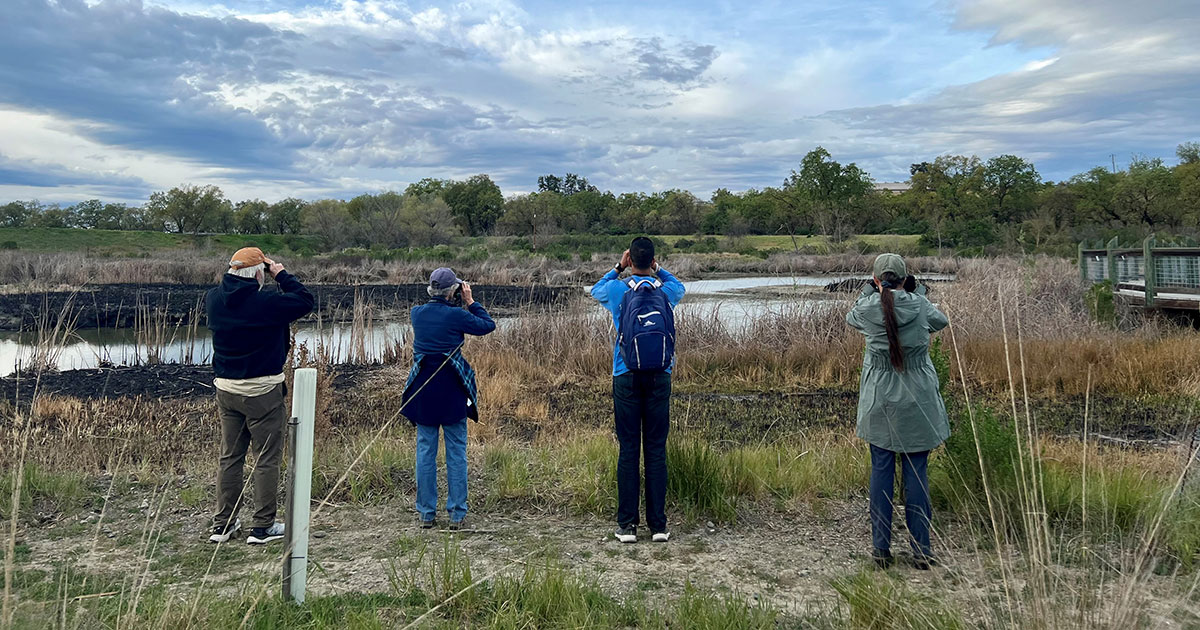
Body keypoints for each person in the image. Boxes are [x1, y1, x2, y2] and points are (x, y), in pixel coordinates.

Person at [846, 253, 949, 570]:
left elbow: (852, 317)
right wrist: (916, 293)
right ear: (905, 279)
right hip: (918, 397)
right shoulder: (919, 305)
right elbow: (940, 322)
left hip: (880, 398)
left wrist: (870, 291)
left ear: (877, 280)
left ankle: (881, 550)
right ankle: (922, 551)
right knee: (917, 472)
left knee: (881, 470)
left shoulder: (866, 308)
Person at [206, 247, 315, 545]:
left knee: (230, 457)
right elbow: (306, 300)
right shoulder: (266, 301)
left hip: (226, 389)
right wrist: (281, 274)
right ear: (258, 273)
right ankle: (262, 527)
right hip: (263, 390)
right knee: (266, 458)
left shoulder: (213, 299)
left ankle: (223, 525)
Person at [590, 237, 685, 543]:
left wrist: (618, 267)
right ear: (653, 259)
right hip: (660, 374)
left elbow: (595, 289)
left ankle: (627, 526)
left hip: (625, 374)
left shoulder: (618, 290)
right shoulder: (666, 290)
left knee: (629, 449)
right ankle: (658, 526)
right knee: (656, 450)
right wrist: (658, 270)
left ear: (630, 259)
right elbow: (679, 286)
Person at [402, 268, 496, 530]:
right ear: (453, 291)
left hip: (424, 391)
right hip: (452, 390)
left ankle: (426, 513)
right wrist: (470, 301)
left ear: (431, 290)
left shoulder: (416, 314)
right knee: (456, 452)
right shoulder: (456, 315)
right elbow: (488, 325)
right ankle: (456, 514)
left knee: (425, 451)